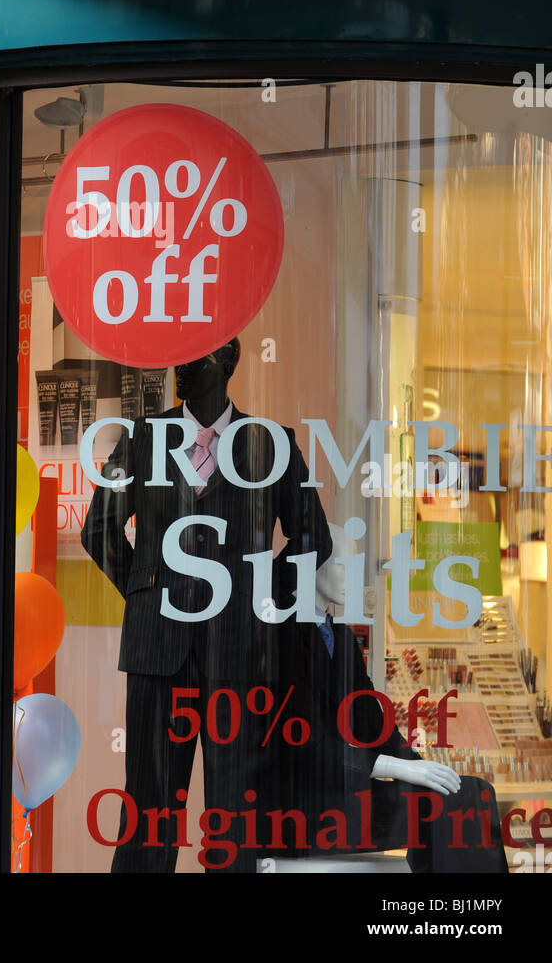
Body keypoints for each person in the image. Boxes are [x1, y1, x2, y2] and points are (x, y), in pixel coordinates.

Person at [80, 338, 333, 872]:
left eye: (196, 358)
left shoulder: (271, 445)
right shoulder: (143, 439)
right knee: (148, 814)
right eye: (180, 357)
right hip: (157, 652)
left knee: (235, 816)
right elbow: (98, 528)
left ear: (226, 366)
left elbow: (316, 540)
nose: (182, 367)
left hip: (238, 652)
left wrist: (257, 594)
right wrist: (147, 590)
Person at [268, 524, 508, 872]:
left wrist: (421, 765)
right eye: (342, 564)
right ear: (311, 566)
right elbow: (307, 741)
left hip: (346, 790)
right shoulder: (281, 635)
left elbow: (373, 721)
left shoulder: (340, 638)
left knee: (471, 792)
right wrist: (402, 768)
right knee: (458, 804)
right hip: (305, 805)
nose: (352, 575)